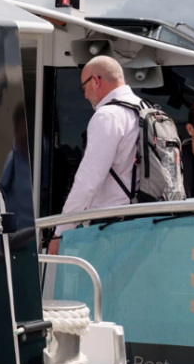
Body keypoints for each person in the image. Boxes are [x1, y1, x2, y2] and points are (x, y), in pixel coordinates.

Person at [48, 55, 138, 255]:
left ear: (96, 81)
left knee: (98, 286)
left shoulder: (108, 115)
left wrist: (60, 232)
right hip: (149, 225)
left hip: (113, 230)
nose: (85, 95)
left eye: (83, 88)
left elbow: (86, 184)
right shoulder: (146, 110)